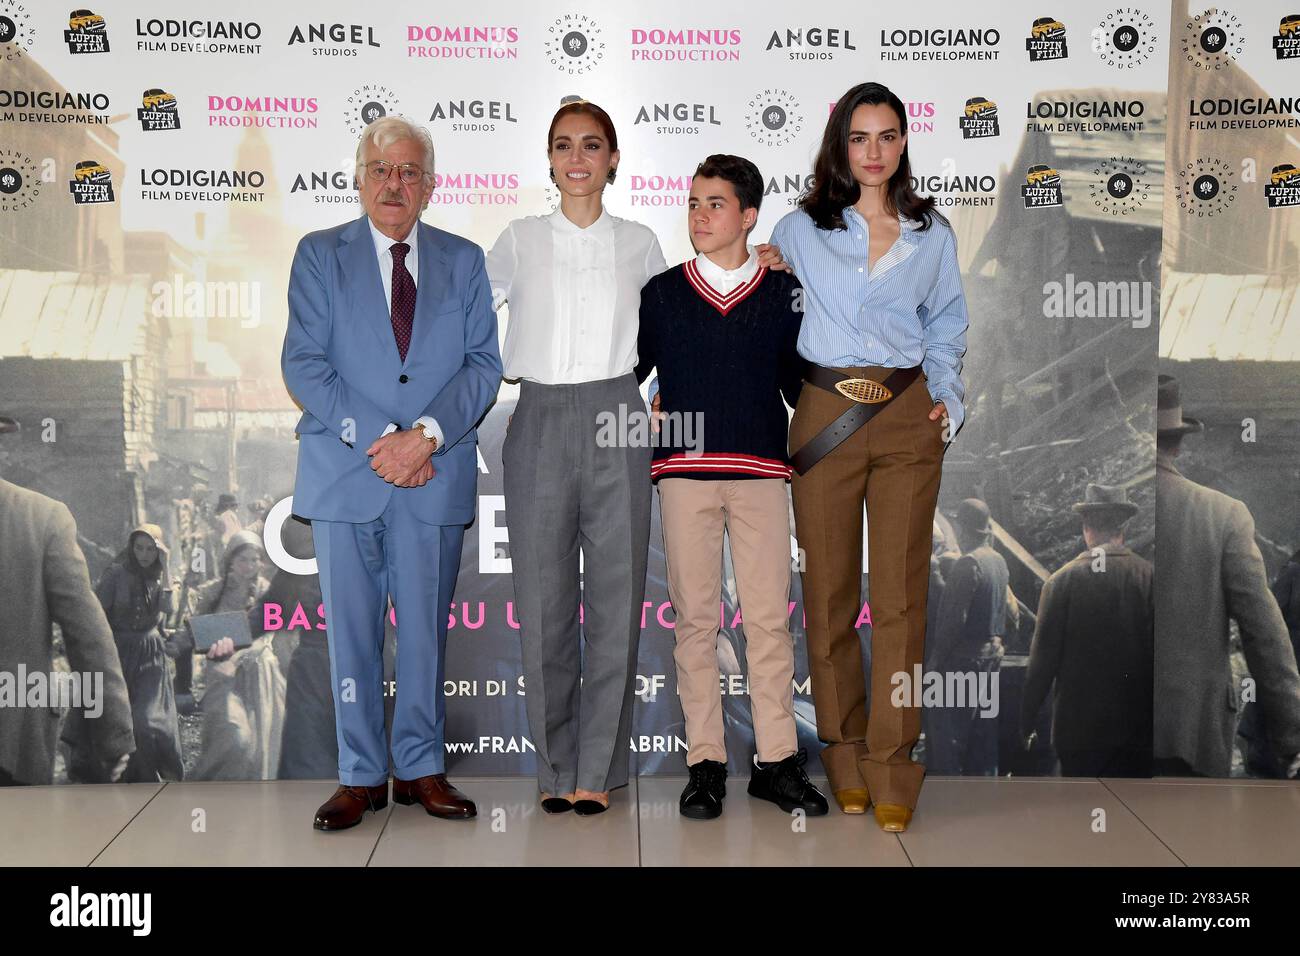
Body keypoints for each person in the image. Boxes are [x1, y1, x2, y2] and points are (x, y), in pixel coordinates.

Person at [488, 100, 787, 815]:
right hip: (537, 413)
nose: (578, 158)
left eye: (592, 145)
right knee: (542, 601)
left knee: (618, 601)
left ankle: (599, 770)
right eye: (563, 145)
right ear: (550, 159)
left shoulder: (642, 243)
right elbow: (464, 321)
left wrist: (770, 257)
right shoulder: (518, 239)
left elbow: (685, 320)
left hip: (620, 412)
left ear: (614, 159)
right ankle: (555, 770)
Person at [282, 114, 502, 830]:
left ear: (431, 186)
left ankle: (419, 768)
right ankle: (359, 775)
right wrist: (385, 438)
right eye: (381, 170)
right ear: (358, 178)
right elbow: (304, 364)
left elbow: (482, 367)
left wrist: (427, 438)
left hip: (431, 476)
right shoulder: (319, 255)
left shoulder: (466, 261)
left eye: (409, 171)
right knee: (350, 634)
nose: (394, 184)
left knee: (424, 637)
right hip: (347, 474)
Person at [768, 82, 969, 831]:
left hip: (908, 416)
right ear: (839, 145)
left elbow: (948, 322)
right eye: (861, 137)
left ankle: (894, 765)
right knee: (826, 599)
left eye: (888, 136)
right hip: (825, 413)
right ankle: (844, 757)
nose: (875, 152)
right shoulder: (798, 229)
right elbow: (750, 289)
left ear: (904, 143)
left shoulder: (932, 233)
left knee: (901, 603)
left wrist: (949, 392)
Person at [633, 153, 826, 820]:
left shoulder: (784, 292)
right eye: (692, 203)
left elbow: (799, 386)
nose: (699, 215)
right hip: (683, 473)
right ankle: (705, 764)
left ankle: (776, 762)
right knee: (696, 622)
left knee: (769, 620)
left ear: (749, 216)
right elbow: (625, 374)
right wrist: (640, 415)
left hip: (763, 473)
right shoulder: (660, 293)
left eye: (715, 204)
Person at [1153, 374, 1300, 779]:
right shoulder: (1222, 515)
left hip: (1102, 737)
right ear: (1179, 442)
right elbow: (1263, 633)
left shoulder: (1109, 512)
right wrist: (1292, 737)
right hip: (1189, 737)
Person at [0, 416, 134, 786]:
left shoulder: (41, 519)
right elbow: (86, 633)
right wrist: (112, 734)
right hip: (12, 744)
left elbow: (86, 633)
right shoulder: (40, 518)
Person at [1019, 484, 1154, 777]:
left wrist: (1025, 722)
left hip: (1078, 733)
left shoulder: (1060, 582)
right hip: (1137, 730)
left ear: (1086, 528)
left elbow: (1041, 665)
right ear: (1123, 528)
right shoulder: (1150, 578)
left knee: (1082, 813)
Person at [84, 524, 184, 782]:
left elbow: (168, 609)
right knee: (122, 721)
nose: (144, 554)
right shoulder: (116, 574)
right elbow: (98, 614)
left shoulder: (160, 576)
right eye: (139, 547)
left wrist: (167, 564)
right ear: (131, 547)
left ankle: (154, 773)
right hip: (118, 653)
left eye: (151, 549)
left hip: (151, 656)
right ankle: (134, 779)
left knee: (147, 721)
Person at [926, 499, 1016, 776]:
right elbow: (1011, 615)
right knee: (983, 736)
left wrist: (934, 663)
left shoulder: (968, 563)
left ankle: (948, 797)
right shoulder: (998, 561)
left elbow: (953, 622)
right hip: (990, 661)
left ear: (963, 529)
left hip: (963, 665)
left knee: (947, 737)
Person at [173, 529, 270, 715]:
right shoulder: (215, 591)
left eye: (254, 560)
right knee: (229, 726)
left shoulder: (266, 591)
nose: (249, 565)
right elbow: (194, 625)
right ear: (231, 561)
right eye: (243, 559)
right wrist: (178, 644)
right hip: (222, 666)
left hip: (256, 666)